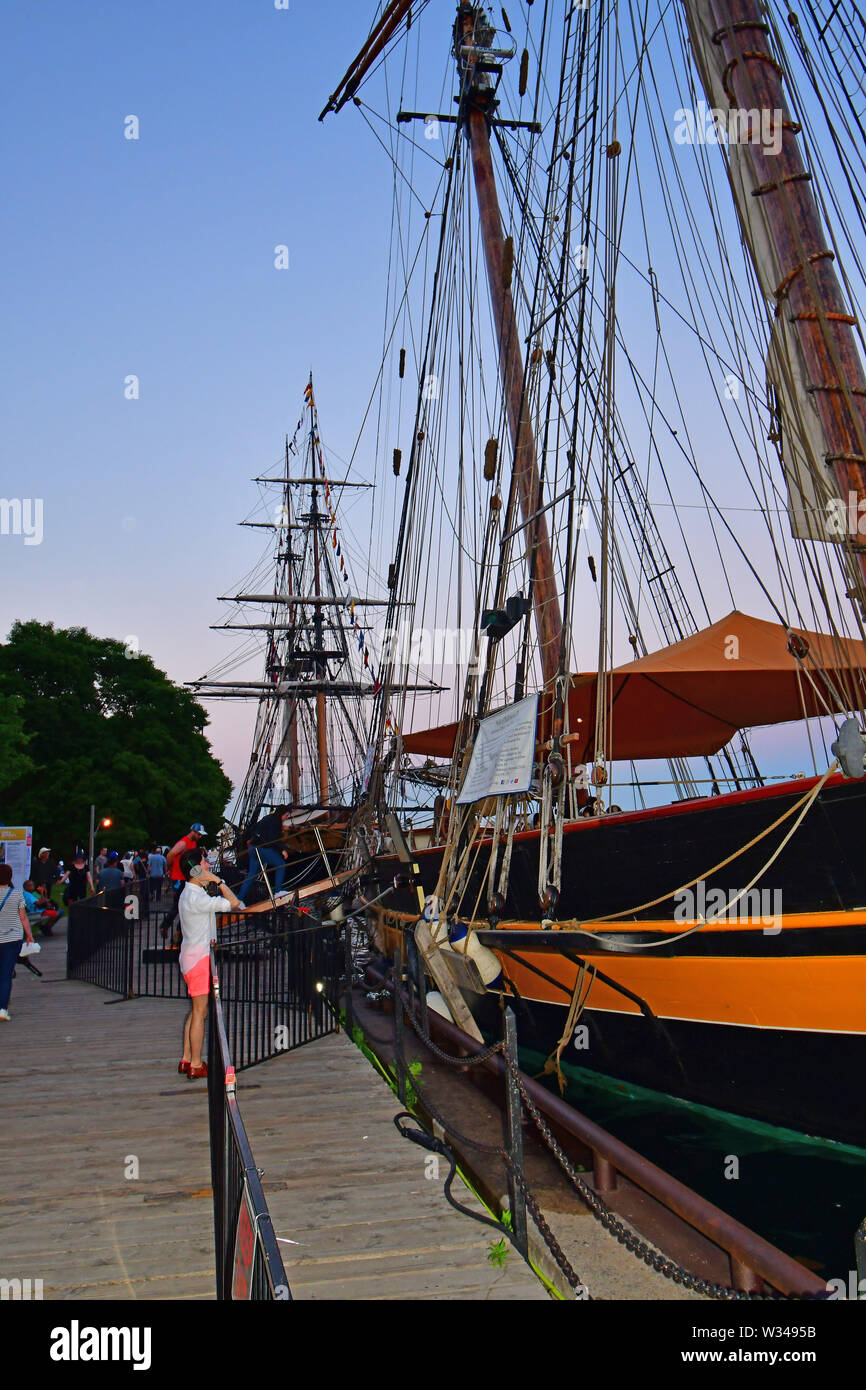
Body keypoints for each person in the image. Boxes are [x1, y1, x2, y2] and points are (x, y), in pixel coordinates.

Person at [176, 847, 289, 1078]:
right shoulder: (197, 898)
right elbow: (235, 903)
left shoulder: (188, 893)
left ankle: (186, 1058)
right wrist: (218, 880)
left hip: (190, 955)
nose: (208, 864)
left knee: (196, 1010)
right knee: (200, 1013)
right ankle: (196, 1064)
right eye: (204, 863)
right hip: (199, 958)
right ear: (196, 870)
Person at [0, 864, 36, 1021]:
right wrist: (29, 935)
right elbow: (23, 917)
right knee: (6, 975)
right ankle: (2, 1009)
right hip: (12, 939)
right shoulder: (17, 895)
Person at [236, 811, 290, 904]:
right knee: (280, 864)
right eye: (286, 815)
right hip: (261, 848)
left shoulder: (266, 818)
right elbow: (273, 838)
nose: (287, 818)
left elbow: (253, 830)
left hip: (253, 848)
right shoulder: (275, 821)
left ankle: (239, 899)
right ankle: (278, 892)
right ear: (281, 814)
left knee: (252, 875)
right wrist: (282, 850)